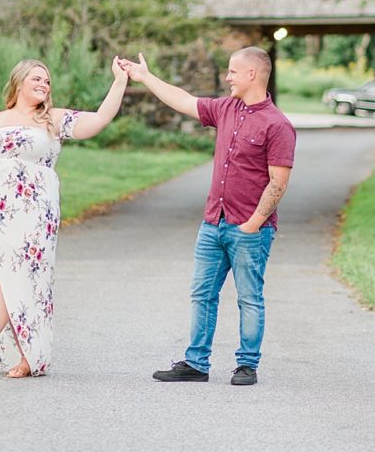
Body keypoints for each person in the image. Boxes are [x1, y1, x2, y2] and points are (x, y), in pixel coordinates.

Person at [0, 56, 128, 380]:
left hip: (32, 212)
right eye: (36, 78)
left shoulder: (52, 119)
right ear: (19, 81)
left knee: (11, 282)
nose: (43, 84)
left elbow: (100, 120)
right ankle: (25, 353)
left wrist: (119, 82)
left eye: (47, 81)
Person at [119, 45, 295, 386]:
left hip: (250, 228)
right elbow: (183, 100)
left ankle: (247, 365)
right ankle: (196, 363)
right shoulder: (225, 109)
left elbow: (279, 183)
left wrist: (254, 224)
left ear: (252, 74)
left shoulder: (278, 125)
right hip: (214, 222)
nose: (227, 77)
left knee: (249, 298)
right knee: (202, 294)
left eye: (232, 71)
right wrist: (145, 76)